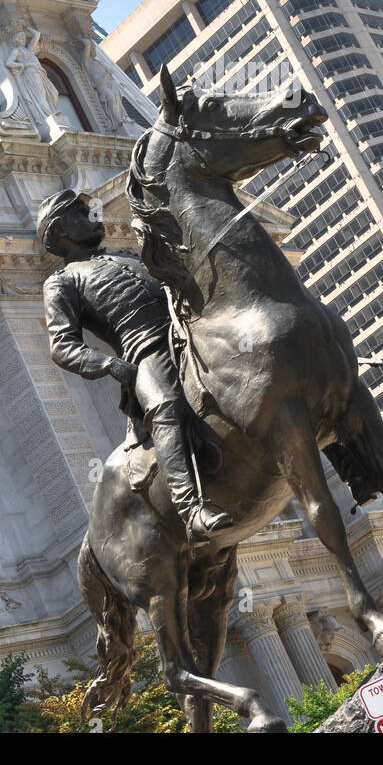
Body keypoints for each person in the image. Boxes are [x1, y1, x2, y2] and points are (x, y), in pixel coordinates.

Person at [37, 190, 232, 542]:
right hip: (145, 350)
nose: (94, 215)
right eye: (82, 213)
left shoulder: (127, 256)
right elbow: (62, 345)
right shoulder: (61, 281)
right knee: (166, 408)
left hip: (187, 329)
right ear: (62, 231)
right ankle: (192, 509)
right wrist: (110, 364)